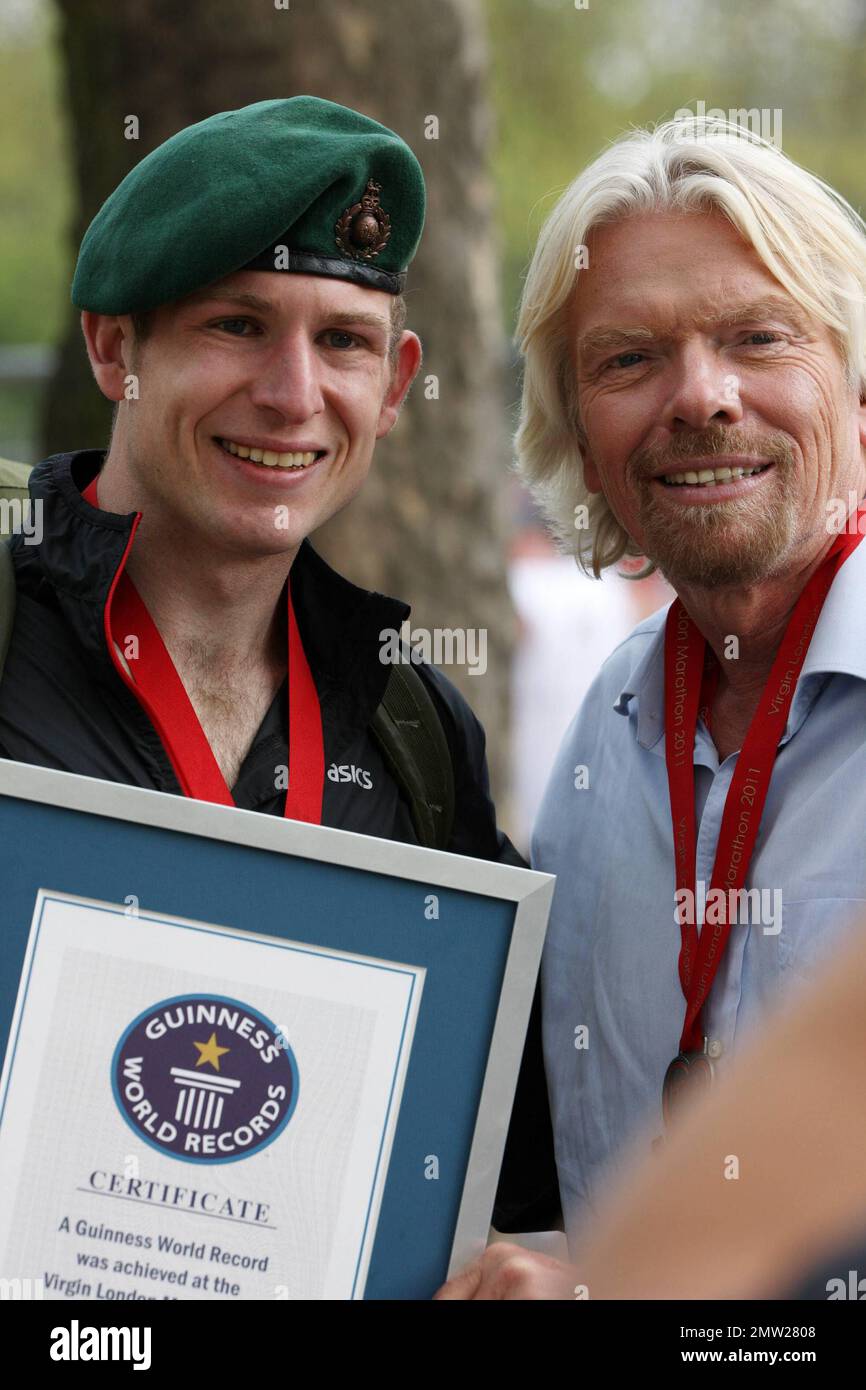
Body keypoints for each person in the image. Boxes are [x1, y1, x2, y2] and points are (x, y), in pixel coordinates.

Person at [0, 95, 558, 1234]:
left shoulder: (412, 729)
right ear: (114, 348)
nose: (294, 395)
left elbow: (489, 1150)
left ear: (394, 385)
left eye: (343, 341)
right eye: (237, 325)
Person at [438, 112, 866, 1294]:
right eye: (627, 359)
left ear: (857, 388)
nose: (699, 397)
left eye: (756, 337)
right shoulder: (605, 735)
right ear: (578, 441)